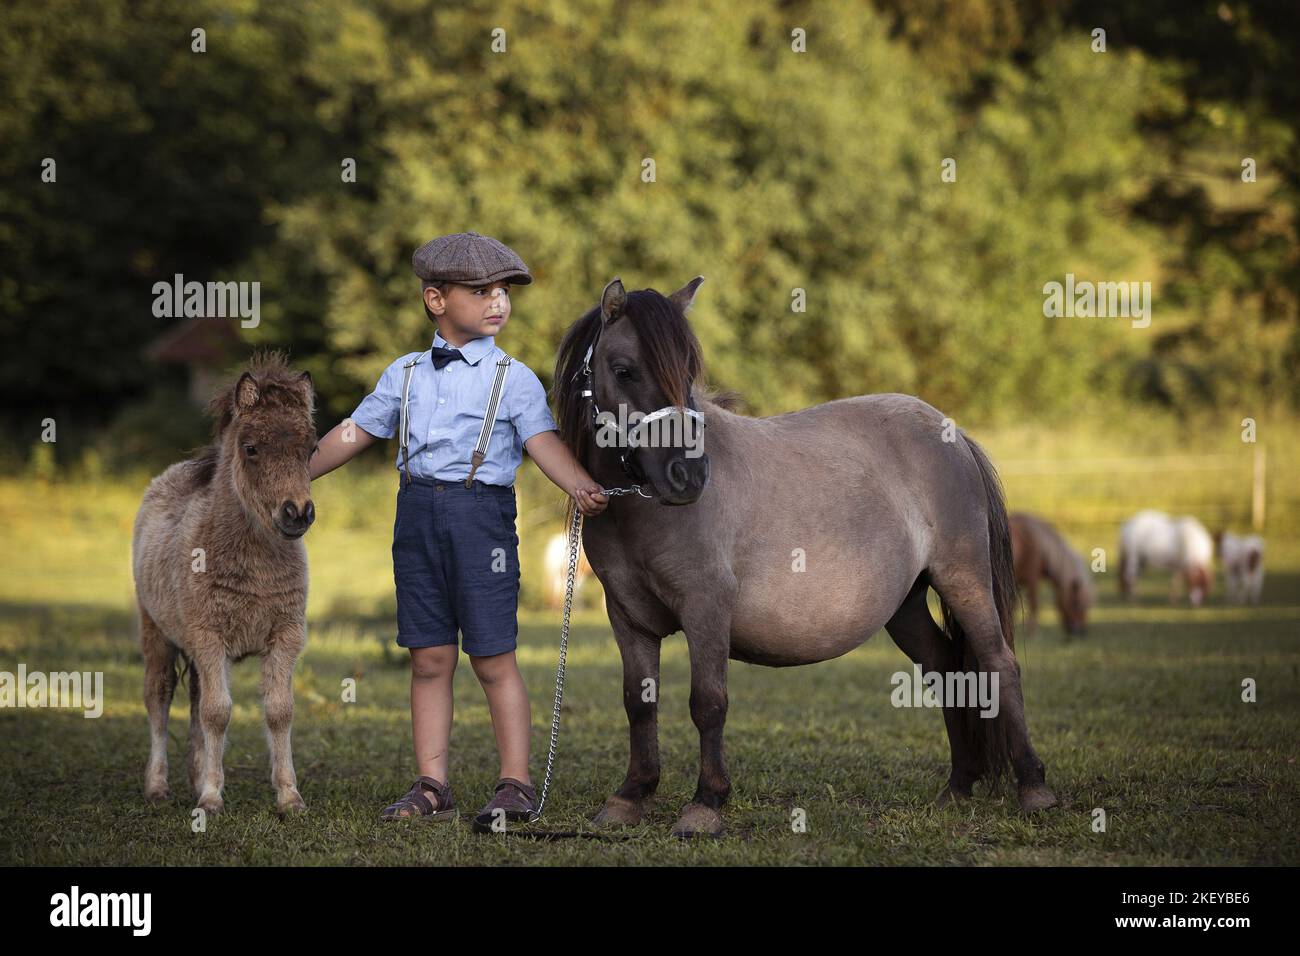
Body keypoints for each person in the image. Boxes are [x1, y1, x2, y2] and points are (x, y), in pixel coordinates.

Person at [309, 231, 607, 829]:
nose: (498, 301)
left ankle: (515, 783)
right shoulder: (406, 374)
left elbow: (541, 442)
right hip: (415, 516)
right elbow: (355, 432)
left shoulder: (514, 378)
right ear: (436, 300)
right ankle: (432, 785)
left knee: (492, 657)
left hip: (482, 520)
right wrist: (295, 475)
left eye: (502, 291)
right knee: (429, 657)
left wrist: (578, 484)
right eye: (480, 291)